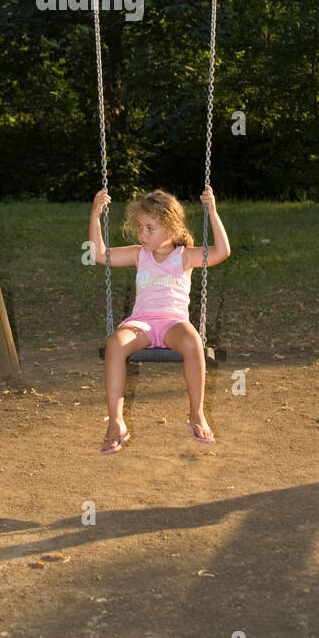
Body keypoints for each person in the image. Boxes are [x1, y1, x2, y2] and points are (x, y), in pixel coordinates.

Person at [89, 187, 230, 455]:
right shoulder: (137, 254)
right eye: (140, 227)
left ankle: (197, 414)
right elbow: (100, 255)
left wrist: (212, 212)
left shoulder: (185, 256)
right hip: (141, 323)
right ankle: (116, 422)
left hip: (173, 324)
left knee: (193, 343)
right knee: (115, 344)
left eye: (149, 228)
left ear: (170, 227)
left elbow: (222, 252)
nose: (141, 234)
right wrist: (95, 216)